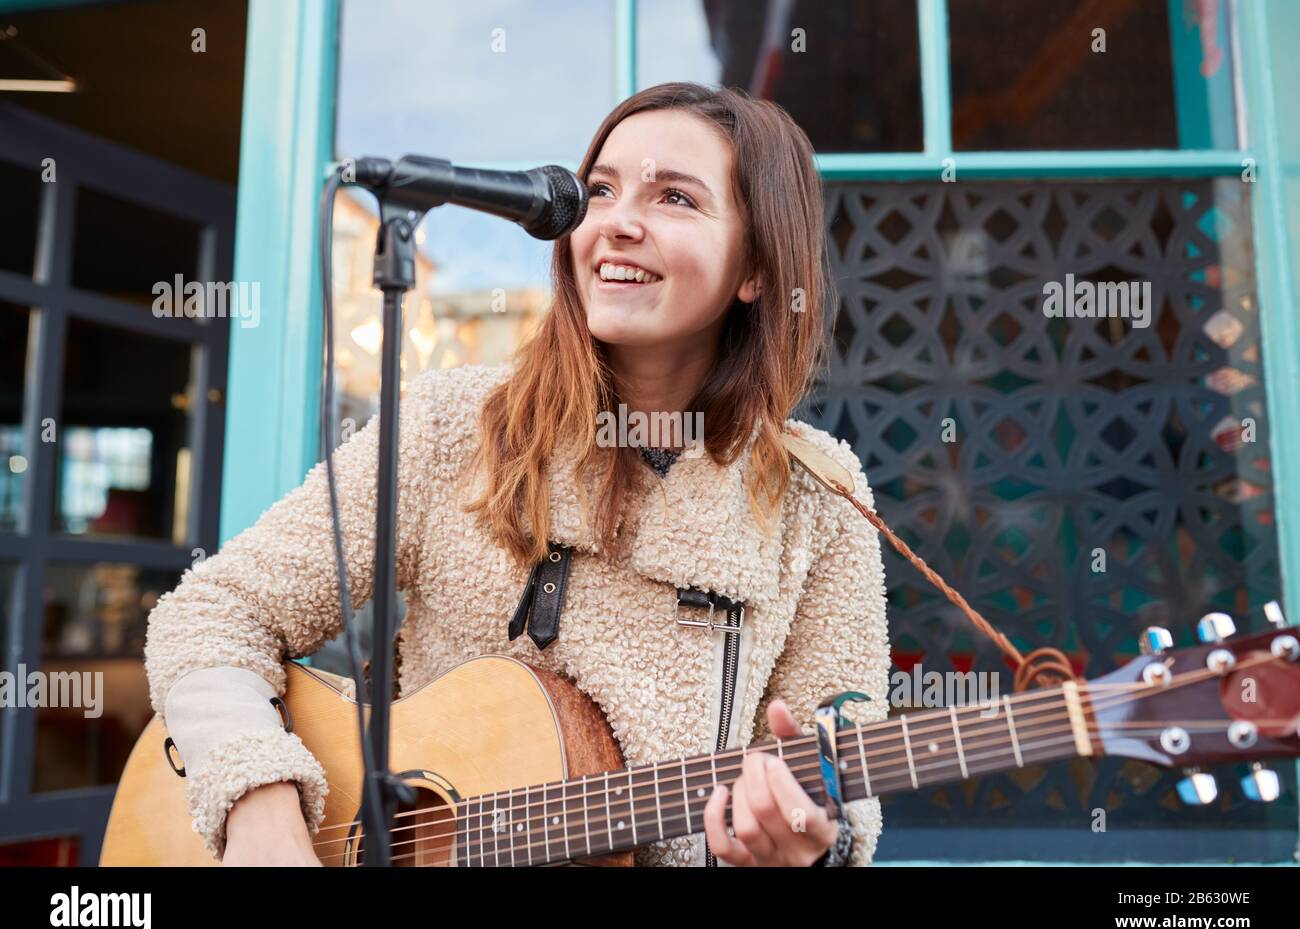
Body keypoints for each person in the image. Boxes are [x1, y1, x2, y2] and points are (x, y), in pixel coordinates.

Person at [144, 81, 891, 867]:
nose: (617, 222)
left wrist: (813, 848)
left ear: (760, 269)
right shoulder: (450, 425)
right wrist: (259, 806)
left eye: (674, 197)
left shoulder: (821, 493)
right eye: (600, 190)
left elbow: (842, 785)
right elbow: (210, 615)